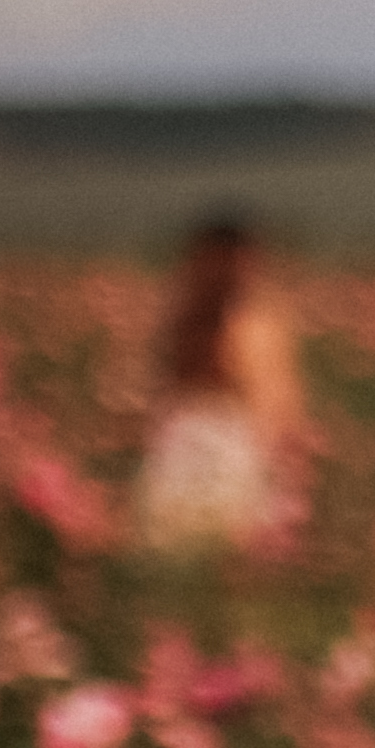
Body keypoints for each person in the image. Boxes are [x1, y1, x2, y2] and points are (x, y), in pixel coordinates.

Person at [130, 208, 309, 551]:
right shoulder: (192, 321)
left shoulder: (253, 324)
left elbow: (279, 403)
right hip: (199, 448)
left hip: (225, 449)